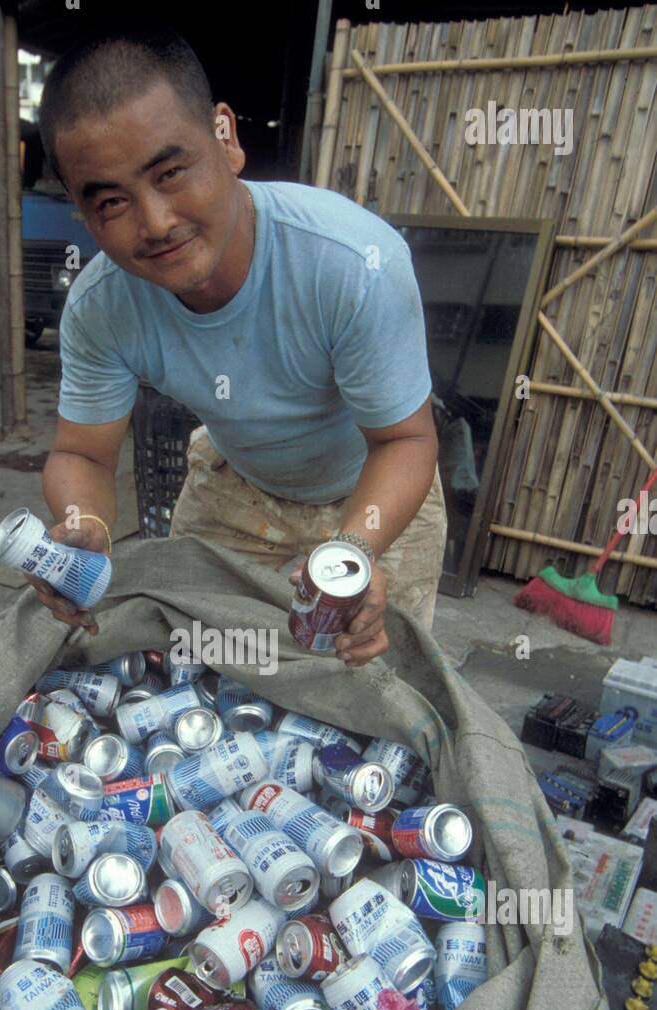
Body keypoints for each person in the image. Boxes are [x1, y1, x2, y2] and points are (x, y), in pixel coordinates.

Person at [31, 25, 446, 665]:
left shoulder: (354, 265)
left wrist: (352, 556)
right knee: (196, 662)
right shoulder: (100, 306)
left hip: (374, 489)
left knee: (374, 685)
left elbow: (406, 441)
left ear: (226, 138)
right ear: (84, 215)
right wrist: (84, 529)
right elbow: (81, 455)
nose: (157, 222)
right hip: (237, 487)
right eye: (112, 201)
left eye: (170, 172)